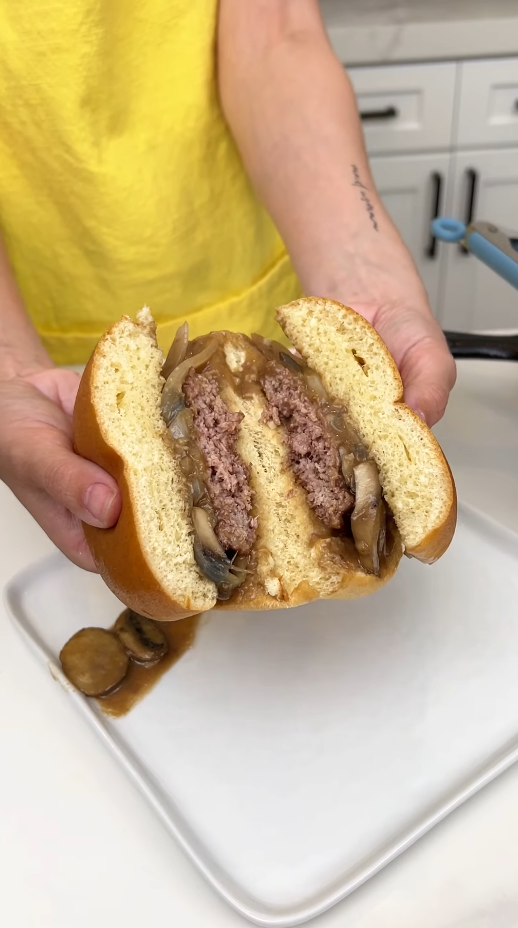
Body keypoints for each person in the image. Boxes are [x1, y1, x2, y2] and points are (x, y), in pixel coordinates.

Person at [0, 0, 456, 572]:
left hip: (254, 273)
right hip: (46, 346)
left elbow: (275, 33)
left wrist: (362, 275)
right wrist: (10, 366)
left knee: (303, 420)